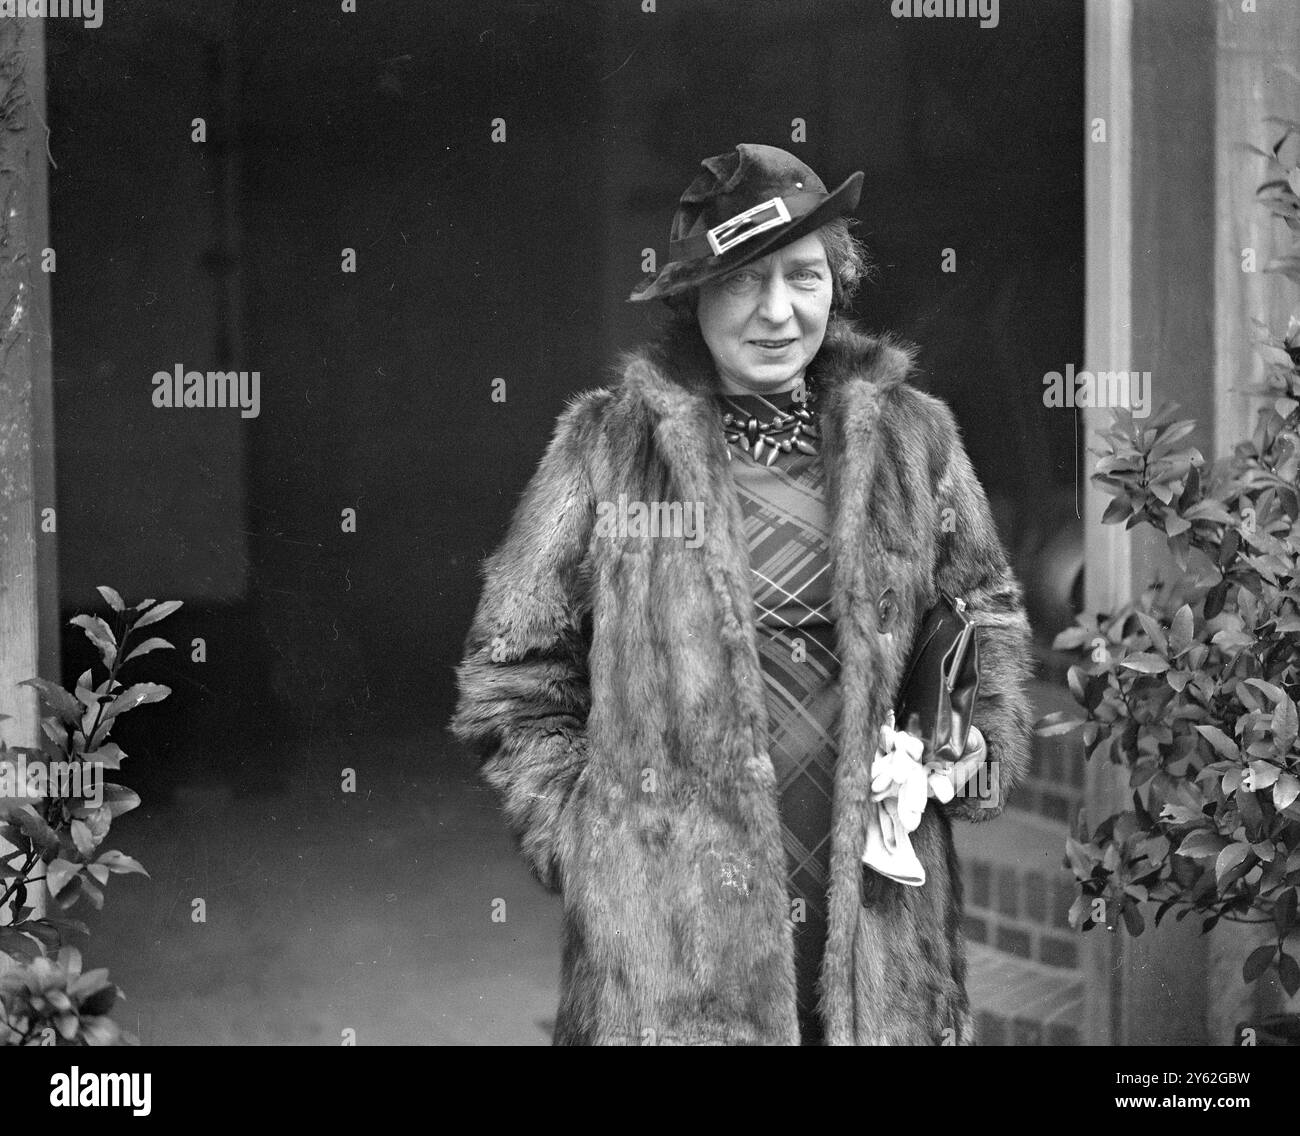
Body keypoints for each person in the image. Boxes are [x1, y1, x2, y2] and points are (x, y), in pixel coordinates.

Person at [450, 143, 1034, 1045]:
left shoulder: (913, 442)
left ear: (838, 282)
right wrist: (593, 851)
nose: (777, 311)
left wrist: (973, 746)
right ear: (693, 299)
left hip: (876, 910)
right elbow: (511, 675)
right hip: (671, 942)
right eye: (742, 282)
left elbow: (983, 611)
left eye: (804, 276)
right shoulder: (609, 450)